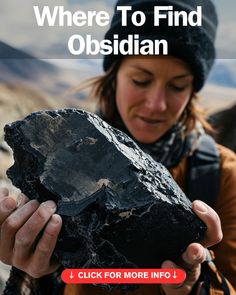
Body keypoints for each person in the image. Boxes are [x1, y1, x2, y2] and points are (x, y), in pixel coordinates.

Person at [0, 0, 236, 294]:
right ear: (114, 75)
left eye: (178, 86)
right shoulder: (59, 160)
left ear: (193, 90)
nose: (156, 104)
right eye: (141, 79)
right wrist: (34, 270)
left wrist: (192, 286)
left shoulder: (222, 174)